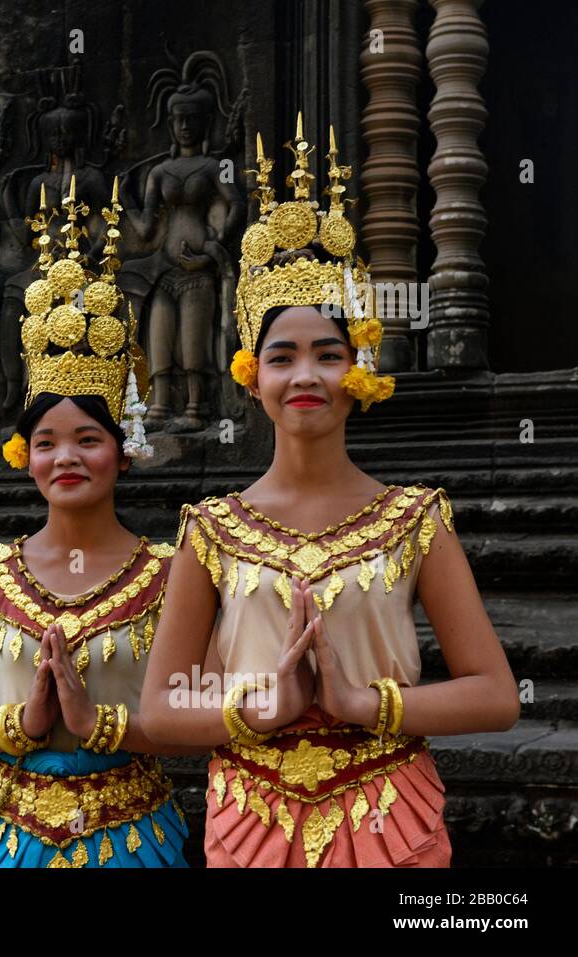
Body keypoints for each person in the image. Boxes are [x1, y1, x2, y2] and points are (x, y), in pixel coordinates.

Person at [140, 119, 519, 867]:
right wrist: (260, 711)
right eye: (283, 356)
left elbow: (496, 694)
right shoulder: (210, 531)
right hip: (251, 822)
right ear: (254, 375)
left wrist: (366, 704)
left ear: (358, 369)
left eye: (328, 354)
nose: (305, 375)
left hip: (389, 814)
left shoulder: (416, 519)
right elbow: (158, 708)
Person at [0, 179, 198, 868]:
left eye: (88, 439)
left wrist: (98, 725)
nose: (65, 456)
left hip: (134, 833)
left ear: (122, 450)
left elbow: (205, 716)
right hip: (15, 839)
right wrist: (19, 725)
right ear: (26, 456)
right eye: (46, 441)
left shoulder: (171, 571)